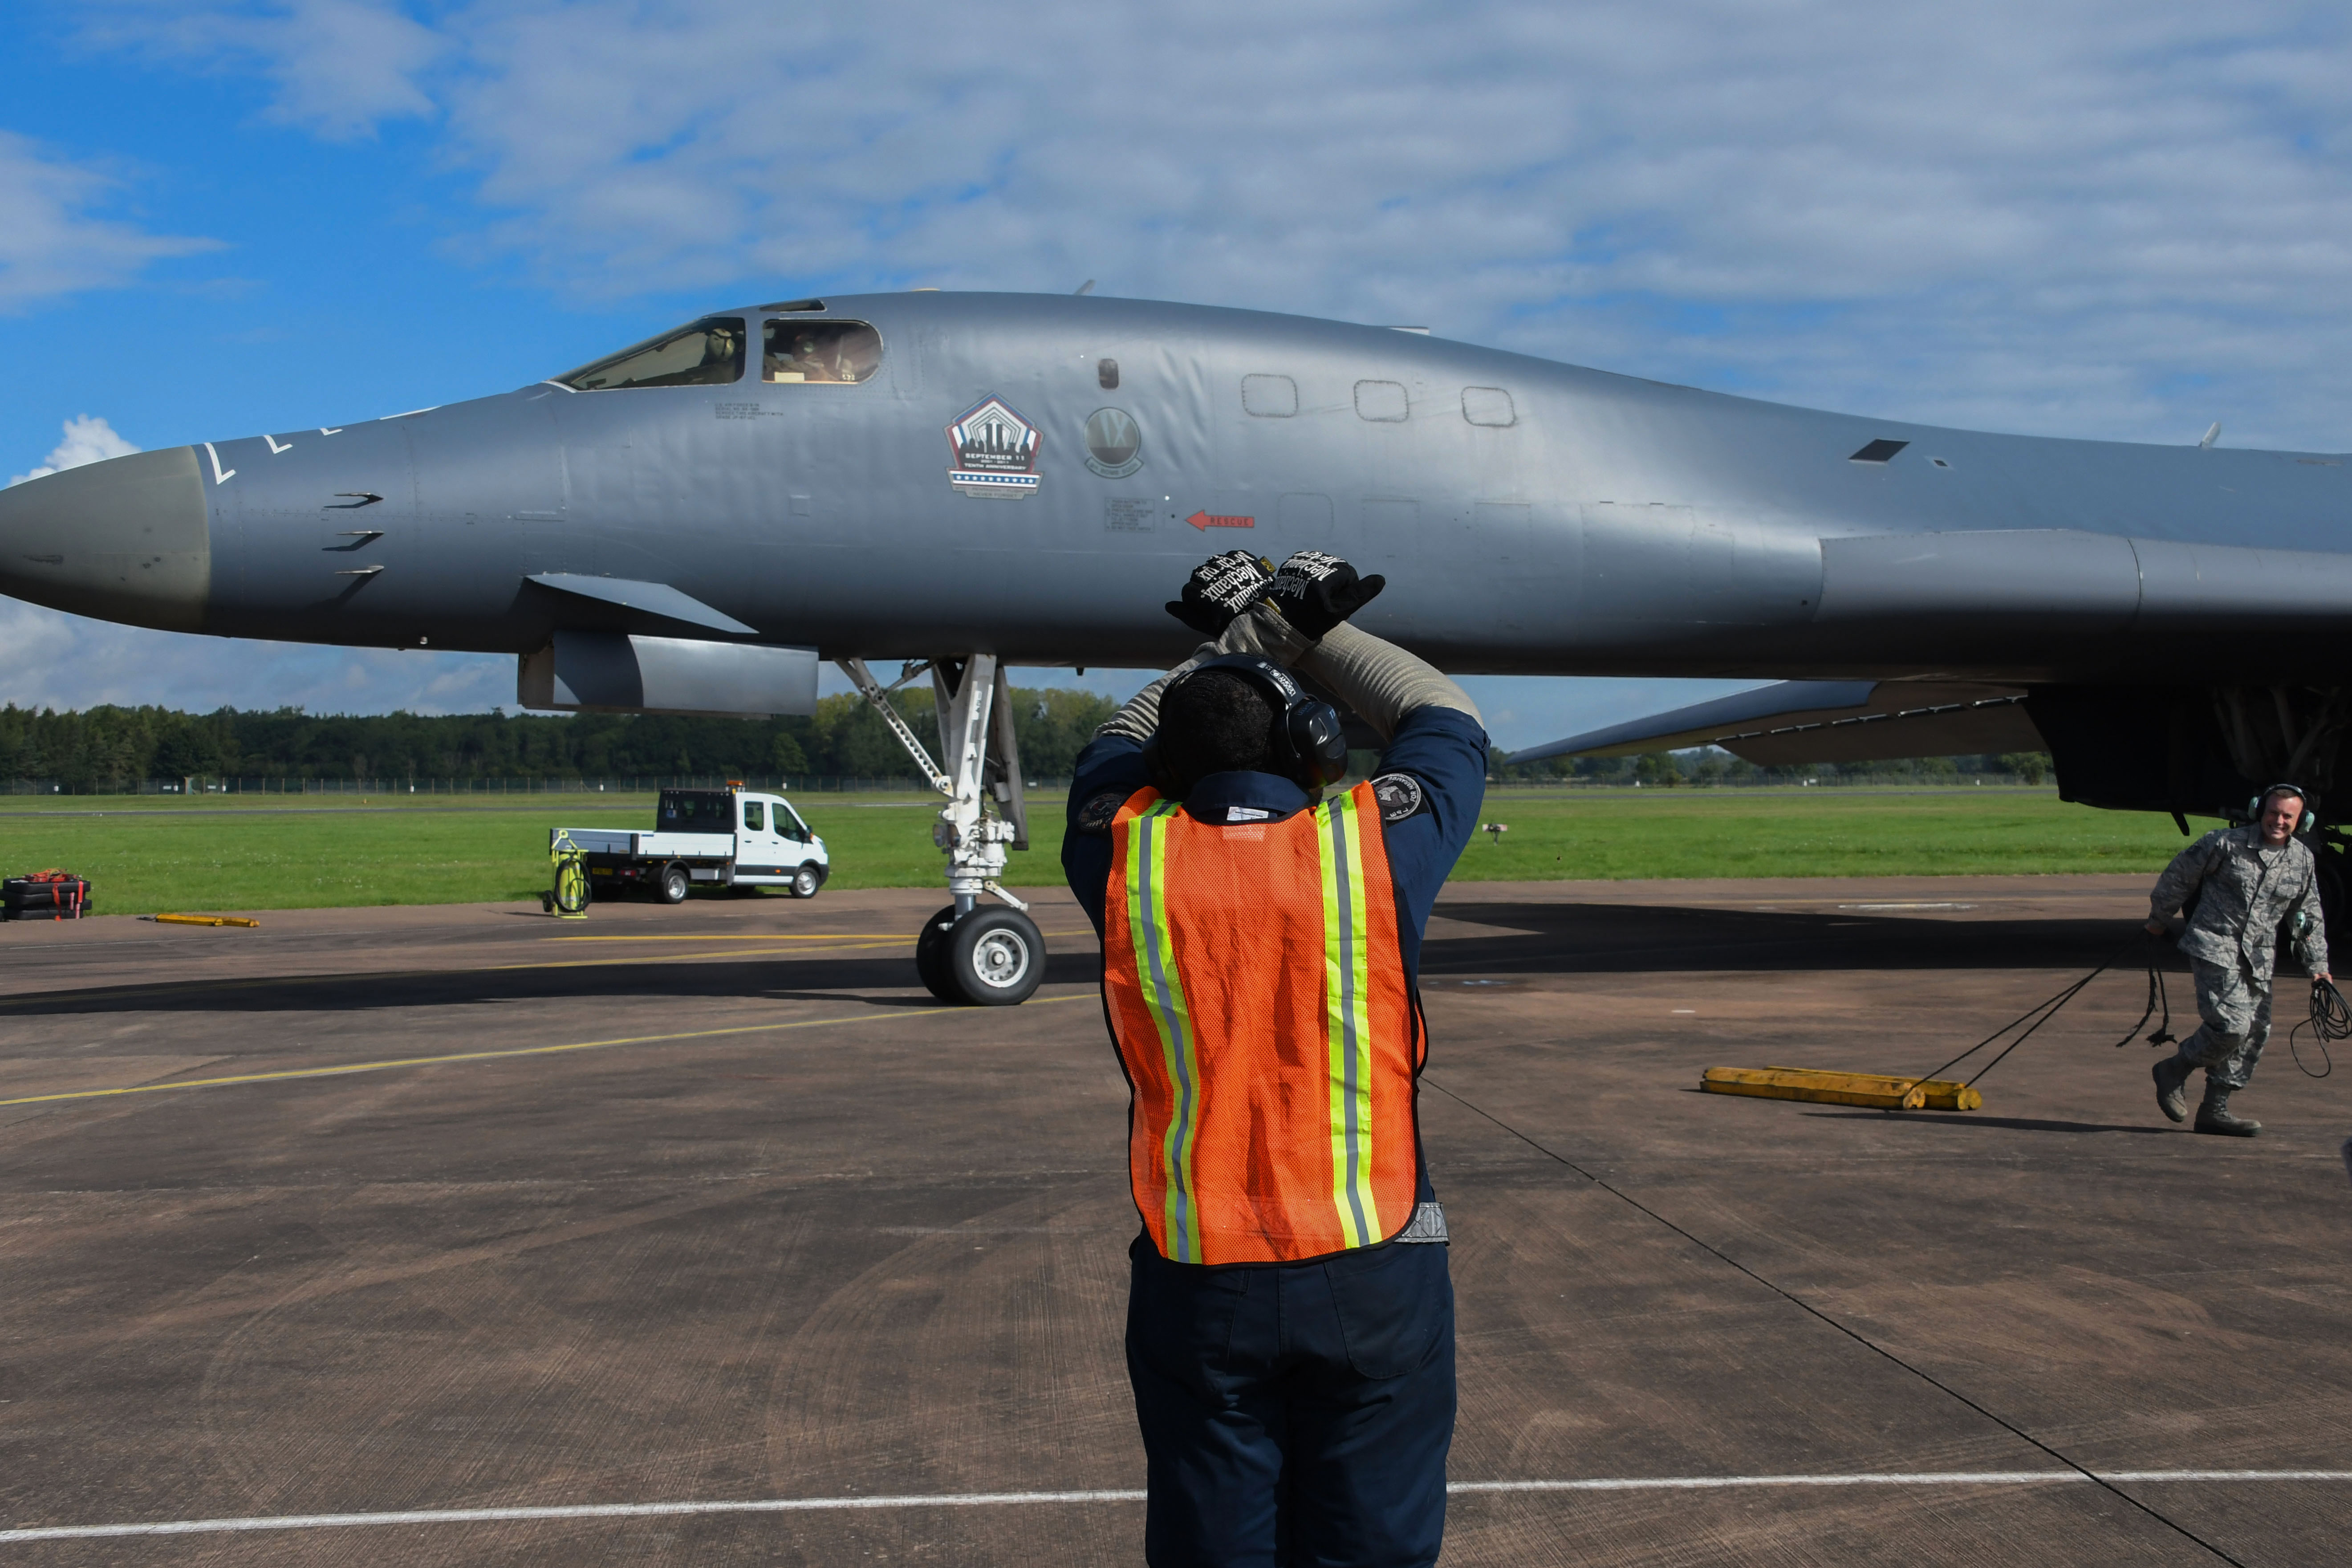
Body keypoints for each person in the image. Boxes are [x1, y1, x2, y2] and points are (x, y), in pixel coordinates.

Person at [1061, 550, 1486, 1568]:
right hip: (1370, 1257)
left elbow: (1110, 746)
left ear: (1166, 771)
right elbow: (1445, 716)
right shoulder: (1366, 851)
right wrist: (1307, 627)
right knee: (1371, 1545)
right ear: (1314, 747)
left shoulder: (1126, 853)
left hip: (1198, 1275)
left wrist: (1238, 636)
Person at [2146, 784, 2331, 1136]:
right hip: (2214, 945)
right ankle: (2175, 1068)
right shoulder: (2224, 844)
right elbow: (2179, 876)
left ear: (2301, 821)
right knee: (2232, 1025)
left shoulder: (2301, 860)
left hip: (2258, 958)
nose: (2278, 821)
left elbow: (2307, 917)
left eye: (2287, 816)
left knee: (2254, 1033)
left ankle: (2214, 1110)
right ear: (2259, 811)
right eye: (2272, 812)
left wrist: (2318, 968)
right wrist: (2158, 920)